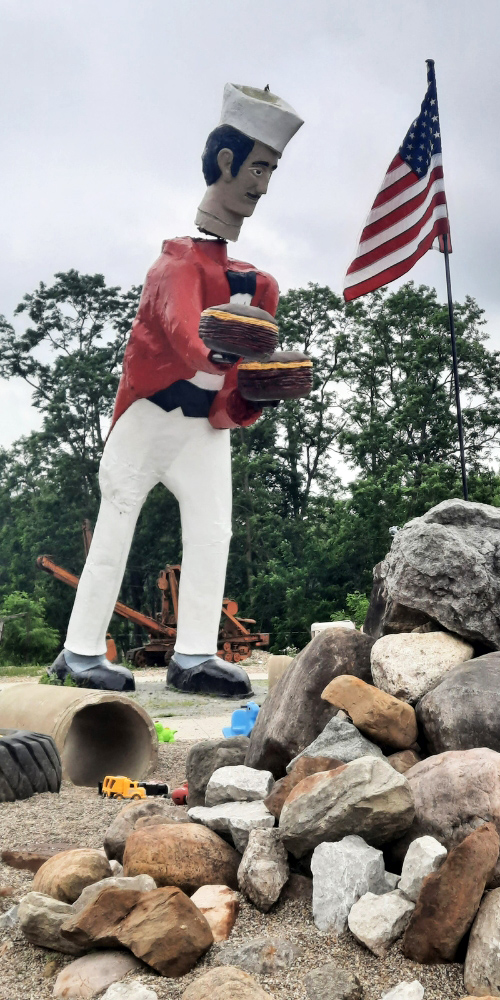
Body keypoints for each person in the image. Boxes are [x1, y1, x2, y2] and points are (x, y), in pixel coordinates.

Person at [49, 84, 303, 694]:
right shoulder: (175, 267)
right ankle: (79, 651)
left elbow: (234, 390)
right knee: (117, 522)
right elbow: (190, 341)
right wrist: (239, 346)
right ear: (225, 163)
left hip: (201, 428)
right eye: (258, 167)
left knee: (214, 530)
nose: (262, 185)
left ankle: (193, 656)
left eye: (271, 170)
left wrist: (260, 390)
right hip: (148, 419)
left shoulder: (258, 283)